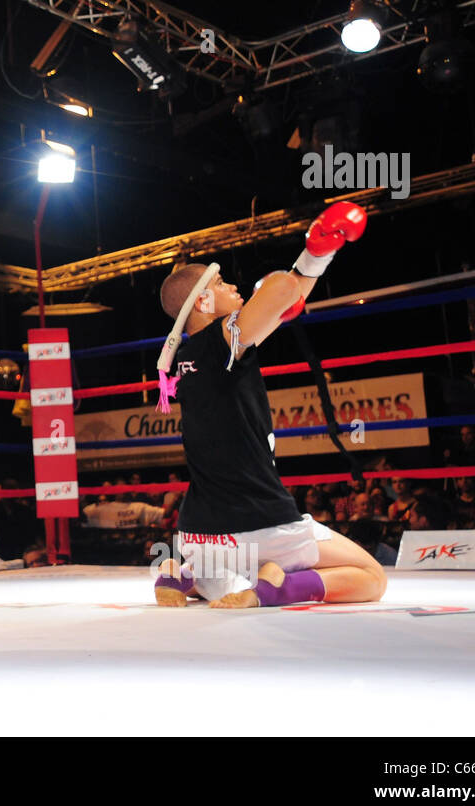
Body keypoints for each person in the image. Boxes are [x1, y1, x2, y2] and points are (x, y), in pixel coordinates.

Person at [151, 202, 387, 609]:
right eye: (223, 284)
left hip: (198, 534)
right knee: (372, 578)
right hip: (260, 523)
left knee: (232, 572)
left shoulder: (191, 360)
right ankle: (280, 589)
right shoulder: (224, 339)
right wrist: (316, 249)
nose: (233, 287)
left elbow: (283, 302)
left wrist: (298, 281)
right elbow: (282, 290)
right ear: (204, 301)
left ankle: (185, 574)